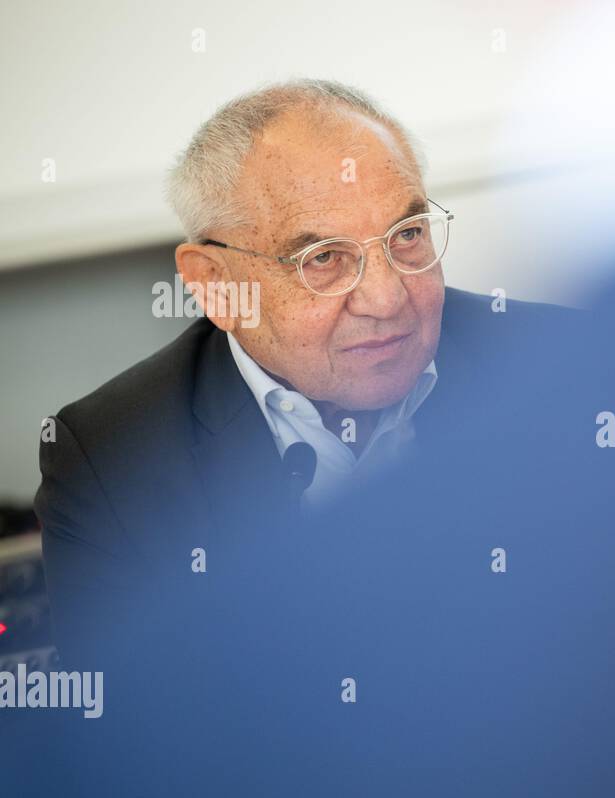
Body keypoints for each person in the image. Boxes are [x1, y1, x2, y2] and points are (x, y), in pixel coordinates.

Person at [33, 78, 569, 644]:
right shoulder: (110, 457)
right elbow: (130, 720)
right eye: (324, 258)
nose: (387, 300)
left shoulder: (559, 361)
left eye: (407, 234)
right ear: (215, 285)